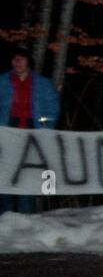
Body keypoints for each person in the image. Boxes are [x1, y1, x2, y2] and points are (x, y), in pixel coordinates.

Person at [0, 48, 60, 215]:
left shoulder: (43, 84)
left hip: (33, 134)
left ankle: (26, 217)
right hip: (6, 133)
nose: (17, 62)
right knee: (5, 174)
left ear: (28, 62)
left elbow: (52, 109)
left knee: (28, 175)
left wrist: (44, 128)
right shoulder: (2, 81)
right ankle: (5, 217)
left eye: (21, 59)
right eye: (14, 59)